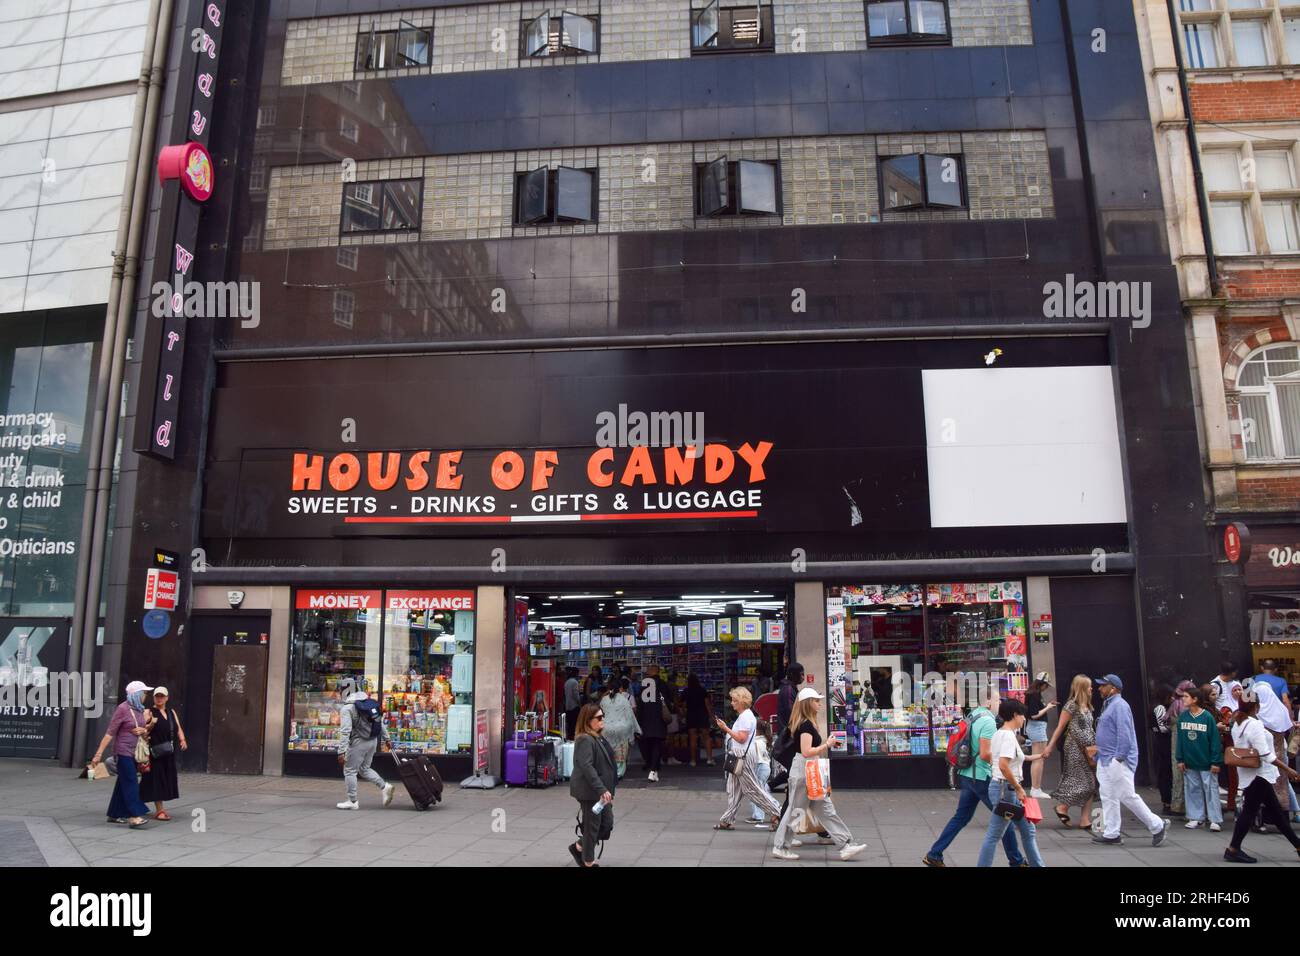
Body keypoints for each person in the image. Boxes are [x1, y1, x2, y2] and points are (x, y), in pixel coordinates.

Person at [924, 684, 1026, 867]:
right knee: (1004, 817)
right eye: (996, 700)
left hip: (967, 774)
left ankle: (934, 854)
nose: (999, 704)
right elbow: (986, 754)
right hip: (982, 777)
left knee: (961, 817)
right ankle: (1017, 861)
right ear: (988, 702)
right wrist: (1002, 767)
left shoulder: (973, 715)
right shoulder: (987, 721)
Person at [771, 687, 868, 861]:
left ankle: (845, 845)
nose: (819, 703)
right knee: (797, 810)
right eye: (816, 701)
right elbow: (806, 751)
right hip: (805, 770)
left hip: (809, 769)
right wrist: (827, 745)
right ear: (808, 704)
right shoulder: (806, 725)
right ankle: (781, 846)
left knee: (824, 809)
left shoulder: (806, 723)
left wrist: (826, 744)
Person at [1091, 674, 1169, 847]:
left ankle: (1157, 826)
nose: (1099, 688)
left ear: (1113, 688)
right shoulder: (1111, 705)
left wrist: (1119, 758)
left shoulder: (1119, 705)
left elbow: (1124, 734)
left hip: (1115, 759)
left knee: (1126, 795)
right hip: (1106, 758)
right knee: (1108, 796)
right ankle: (1112, 833)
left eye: (1103, 685)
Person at [1223, 697, 1300, 863]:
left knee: (1273, 812)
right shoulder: (1254, 724)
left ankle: (1298, 845)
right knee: (1252, 812)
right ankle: (1233, 849)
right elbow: (1266, 755)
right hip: (1259, 774)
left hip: (1250, 774)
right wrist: (1289, 770)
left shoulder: (1237, 722)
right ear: (1256, 707)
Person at [977, 699, 1047, 867]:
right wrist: (1018, 788)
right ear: (1015, 715)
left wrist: (1038, 756)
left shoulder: (999, 733)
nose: (1024, 719)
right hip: (1007, 790)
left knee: (1028, 830)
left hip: (1003, 787)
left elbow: (1007, 759)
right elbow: (1003, 765)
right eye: (1022, 715)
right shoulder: (1008, 736)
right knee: (994, 834)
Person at [714, 687, 783, 832]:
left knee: (752, 789)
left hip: (742, 756)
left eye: (734, 701)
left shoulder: (746, 716)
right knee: (734, 789)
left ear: (741, 701)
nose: (732, 703)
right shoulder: (746, 715)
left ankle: (777, 812)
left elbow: (741, 738)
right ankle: (727, 820)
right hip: (739, 755)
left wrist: (725, 728)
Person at [90, 680, 156, 828]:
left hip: (135, 752)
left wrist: (144, 730)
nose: (146, 696)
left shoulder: (139, 709)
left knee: (123, 783)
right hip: (123, 752)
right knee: (131, 781)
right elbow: (110, 733)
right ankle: (134, 815)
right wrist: (98, 754)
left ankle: (114, 813)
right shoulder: (122, 709)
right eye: (144, 693)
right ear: (137, 694)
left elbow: (142, 729)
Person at [1043, 674, 1098, 828]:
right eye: (1089, 686)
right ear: (1081, 688)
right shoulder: (1071, 706)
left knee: (1091, 783)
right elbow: (1060, 727)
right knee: (1084, 782)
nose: (1091, 689)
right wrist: (1049, 746)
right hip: (1074, 748)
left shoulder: (1087, 706)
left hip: (1088, 750)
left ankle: (1085, 819)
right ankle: (1063, 806)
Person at [568, 702, 618, 868]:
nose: (602, 719)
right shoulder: (585, 739)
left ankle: (579, 847)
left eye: (603, 716)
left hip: (602, 792)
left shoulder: (598, 736)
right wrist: (601, 789)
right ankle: (588, 861)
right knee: (592, 826)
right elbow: (586, 766)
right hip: (590, 791)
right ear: (588, 720)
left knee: (606, 824)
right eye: (599, 717)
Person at [335, 676, 396, 810]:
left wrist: (341, 751)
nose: (339, 692)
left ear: (345, 690)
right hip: (372, 741)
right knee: (364, 769)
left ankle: (352, 801)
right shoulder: (367, 701)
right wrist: (387, 739)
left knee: (350, 771)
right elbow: (378, 722)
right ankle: (385, 787)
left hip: (358, 743)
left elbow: (345, 731)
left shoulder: (347, 708)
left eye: (340, 689)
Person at [1175, 685, 1222, 832]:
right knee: (1192, 789)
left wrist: (1215, 761)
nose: (1183, 699)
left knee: (1211, 789)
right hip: (1190, 761)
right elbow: (1180, 740)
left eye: (1186, 697)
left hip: (1207, 762)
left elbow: (1214, 741)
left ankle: (1215, 819)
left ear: (1195, 699)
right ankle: (1196, 817)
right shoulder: (1183, 717)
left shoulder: (1207, 717)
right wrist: (1180, 759)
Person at [139, 686, 187, 821]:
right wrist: (149, 726)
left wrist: (182, 739)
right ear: (153, 697)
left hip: (168, 751)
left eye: (162, 696)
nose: (159, 698)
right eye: (157, 696)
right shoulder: (148, 712)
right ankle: (160, 810)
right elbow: (142, 730)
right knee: (157, 780)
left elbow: (178, 728)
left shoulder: (171, 712)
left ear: (167, 698)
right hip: (154, 752)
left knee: (152, 781)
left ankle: (133, 801)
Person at [599, 678, 640, 778]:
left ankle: (609, 770)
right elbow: (630, 715)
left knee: (608, 750)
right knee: (621, 751)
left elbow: (601, 712)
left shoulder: (604, 699)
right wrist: (636, 729)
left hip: (607, 728)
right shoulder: (623, 699)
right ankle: (619, 773)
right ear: (620, 688)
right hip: (622, 729)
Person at [1167, 678, 1196, 816]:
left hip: (1176, 739)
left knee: (1178, 772)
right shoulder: (1187, 706)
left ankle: (1178, 804)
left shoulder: (1174, 704)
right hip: (1186, 740)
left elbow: (1166, 720)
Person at [635, 663, 668, 782]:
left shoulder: (644, 685)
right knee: (657, 744)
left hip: (646, 719)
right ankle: (653, 769)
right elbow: (667, 701)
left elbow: (640, 705)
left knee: (648, 744)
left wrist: (639, 720)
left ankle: (652, 766)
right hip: (659, 719)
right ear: (658, 672)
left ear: (649, 672)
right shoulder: (663, 685)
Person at [1025, 673, 1056, 800]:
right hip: (1037, 727)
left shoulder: (1033, 694)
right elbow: (1034, 715)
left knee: (1038, 758)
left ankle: (1036, 788)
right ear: (1042, 684)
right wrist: (1048, 707)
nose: (1046, 688)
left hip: (1036, 727)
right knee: (1039, 759)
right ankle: (1036, 788)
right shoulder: (1033, 695)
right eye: (1046, 686)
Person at [1151, 684, 1174, 815]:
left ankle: (1167, 800)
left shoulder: (1155, 706)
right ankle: (1167, 801)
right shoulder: (1159, 708)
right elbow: (1163, 727)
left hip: (1159, 741)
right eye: (1170, 696)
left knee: (1164, 771)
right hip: (1163, 742)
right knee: (1165, 771)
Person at [684, 673, 715, 767]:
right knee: (706, 738)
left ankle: (693, 761)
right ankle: (709, 759)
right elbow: (707, 705)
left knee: (692, 739)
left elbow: (683, 705)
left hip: (691, 716)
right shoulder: (702, 690)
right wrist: (712, 716)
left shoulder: (686, 691)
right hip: (702, 716)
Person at [748, 718, 774, 826]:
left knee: (756, 792)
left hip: (760, 767)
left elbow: (755, 758)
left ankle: (758, 816)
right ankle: (776, 809)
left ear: (757, 729)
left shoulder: (757, 742)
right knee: (762, 791)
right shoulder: (764, 740)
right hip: (765, 767)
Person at [563, 667, 582, 740]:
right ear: (576, 673)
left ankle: (569, 738)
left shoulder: (567, 682)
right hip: (574, 706)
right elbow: (576, 696)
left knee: (570, 724)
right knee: (574, 724)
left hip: (568, 706)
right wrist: (580, 704)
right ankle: (574, 739)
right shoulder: (574, 682)